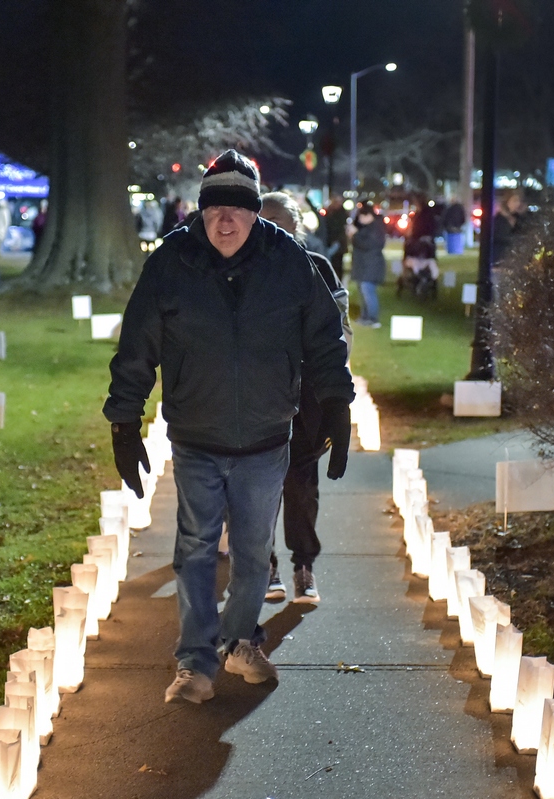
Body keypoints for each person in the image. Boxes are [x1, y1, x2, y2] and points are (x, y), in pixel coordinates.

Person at [104, 150, 354, 705]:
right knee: (194, 549)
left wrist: (337, 403)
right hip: (197, 436)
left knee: (251, 552)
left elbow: (323, 337)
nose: (224, 221)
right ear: (201, 211)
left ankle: (240, 639)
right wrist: (125, 419)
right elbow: (138, 343)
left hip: (267, 437)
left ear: (254, 212)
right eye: (214, 208)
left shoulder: (287, 259)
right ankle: (194, 661)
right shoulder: (172, 261)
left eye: (236, 210)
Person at [258, 191, 352, 604]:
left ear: (298, 224)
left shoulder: (320, 269)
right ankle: (266, 564)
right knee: (256, 488)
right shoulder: (246, 271)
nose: (274, 227)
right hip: (257, 402)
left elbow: (338, 334)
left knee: (300, 485)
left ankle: (302, 564)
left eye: (281, 219)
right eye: (266, 219)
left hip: (306, 403)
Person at [349, 202, 387, 328]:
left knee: (368, 292)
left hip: (370, 266)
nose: (359, 220)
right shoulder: (370, 227)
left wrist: (355, 235)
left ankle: (373, 318)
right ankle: (365, 317)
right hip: (365, 266)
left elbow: (367, 244)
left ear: (368, 216)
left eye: (361, 217)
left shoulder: (375, 228)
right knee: (364, 292)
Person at [321, 195, 349, 280]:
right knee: (335, 265)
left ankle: (336, 282)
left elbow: (334, 227)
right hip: (336, 243)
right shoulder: (336, 212)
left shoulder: (337, 213)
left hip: (337, 243)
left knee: (336, 265)